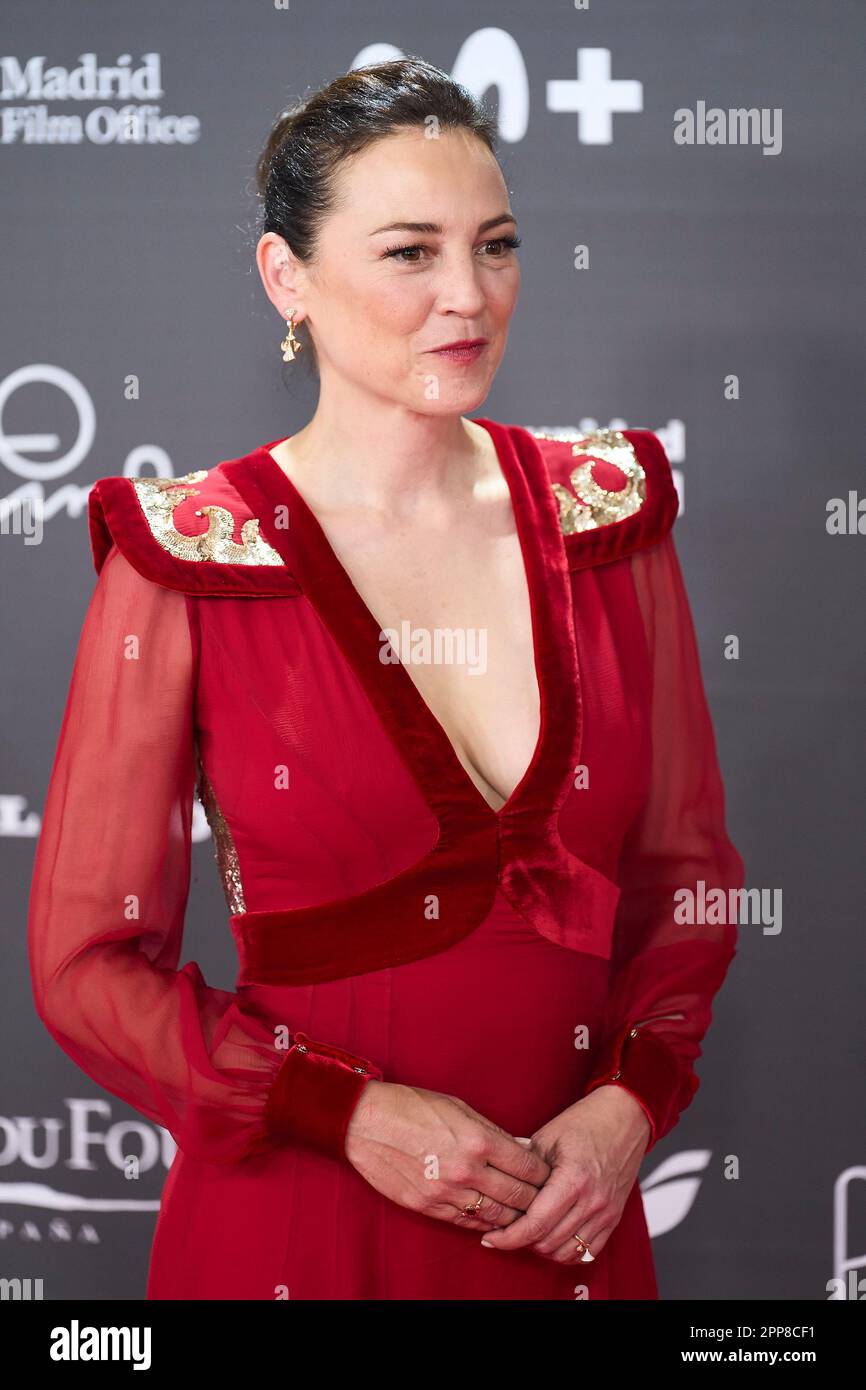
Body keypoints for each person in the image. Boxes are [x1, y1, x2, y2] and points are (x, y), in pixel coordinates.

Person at [27, 57, 744, 1300]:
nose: (466, 297)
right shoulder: (193, 553)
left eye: (496, 245)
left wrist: (630, 1098)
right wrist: (343, 1113)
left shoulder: (605, 520)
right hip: (302, 1226)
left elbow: (686, 879)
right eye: (409, 252)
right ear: (285, 279)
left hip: (563, 1228)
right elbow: (86, 964)